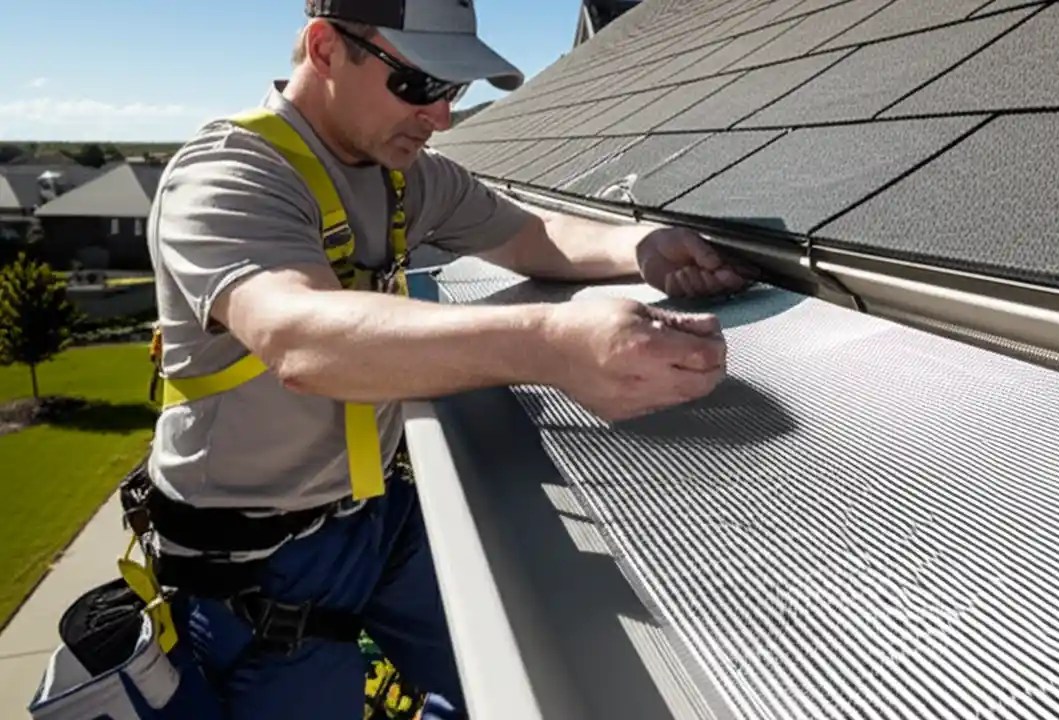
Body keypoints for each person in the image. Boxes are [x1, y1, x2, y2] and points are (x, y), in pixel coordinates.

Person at [75, 1, 752, 718]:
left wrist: (639, 249)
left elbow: (531, 236)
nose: (443, 118)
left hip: (378, 516)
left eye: (453, 90)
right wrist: (554, 346)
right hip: (253, 567)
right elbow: (301, 341)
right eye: (421, 85)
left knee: (525, 679)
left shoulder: (404, 175)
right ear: (326, 48)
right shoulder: (226, 179)